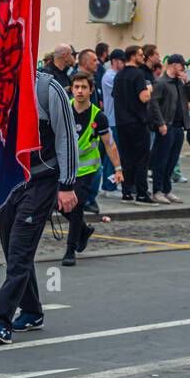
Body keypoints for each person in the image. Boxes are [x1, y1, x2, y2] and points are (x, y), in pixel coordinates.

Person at [0, 71, 77, 344]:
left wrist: (67, 184)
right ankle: (32, 311)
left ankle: (1, 321)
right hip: (9, 183)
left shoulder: (48, 89)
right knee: (13, 252)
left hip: (41, 182)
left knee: (20, 252)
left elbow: (66, 137)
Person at [62, 72, 122, 265]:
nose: (79, 91)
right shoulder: (63, 110)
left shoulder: (99, 117)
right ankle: (84, 230)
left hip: (86, 170)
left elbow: (109, 144)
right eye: (76, 87)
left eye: (84, 87)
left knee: (76, 206)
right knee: (55, 204)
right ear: (71, 89)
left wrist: (118, 169)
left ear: (90, 90)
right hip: (63, 169)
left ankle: (70, 251)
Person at [147, 53, 190, 204]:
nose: (184, 68)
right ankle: (157, 190)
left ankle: (167, 190)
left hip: (179, 126)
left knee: (172, 161)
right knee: (161, 160)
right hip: (167, 126)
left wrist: (187, 82)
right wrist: (161, 124)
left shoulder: (180, 82)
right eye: (182, 65)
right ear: (174, 65)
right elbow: (153, 104)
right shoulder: (161, 82)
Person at [112, 45, 155, 203]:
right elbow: (144, 98)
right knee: (141, 159)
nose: (143, 57)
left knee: (126, 159)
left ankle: (126, 192)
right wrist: (149, 88)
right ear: (132, 56)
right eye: (140, 55)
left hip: (121, 123)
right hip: (137, 122)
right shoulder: (137, 74)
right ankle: (142, 193)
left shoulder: (119, 75)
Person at [99, 48, 126, 198]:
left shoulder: (115, 76)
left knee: (115, 154)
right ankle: (109, 186)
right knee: (112, 155)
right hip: (112, 120)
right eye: (122, 61)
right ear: (115, 61)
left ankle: (113, 182)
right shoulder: (110, 77)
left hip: (117, 120)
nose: (124, 64)